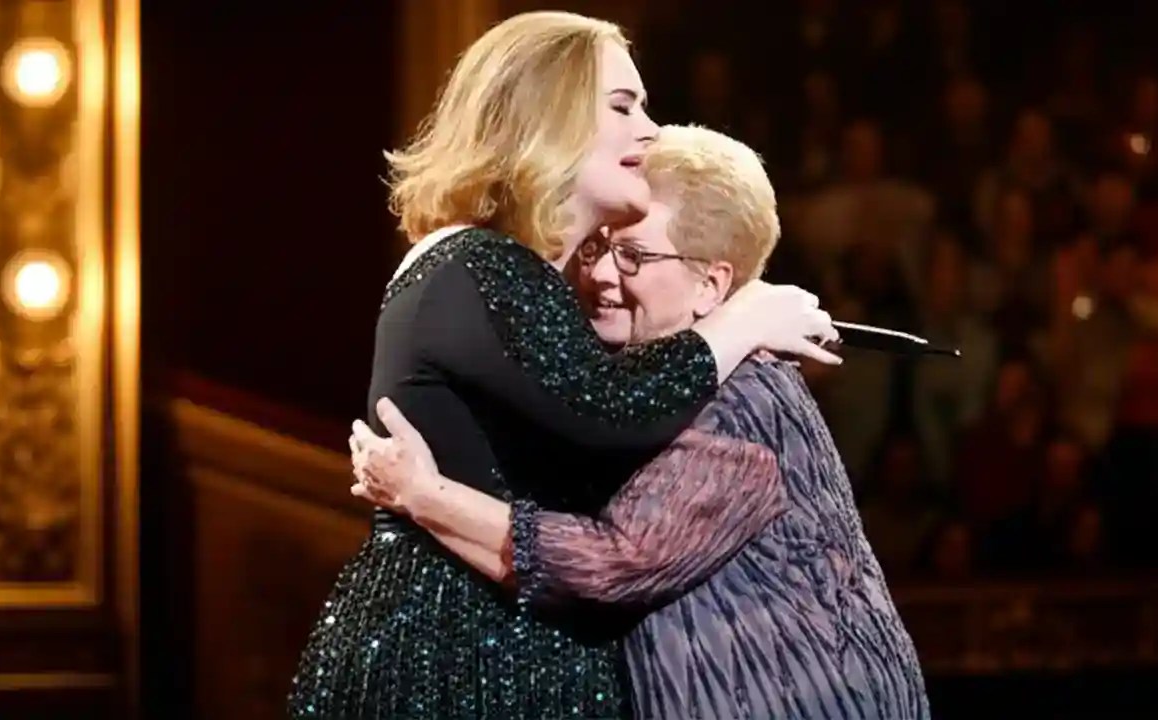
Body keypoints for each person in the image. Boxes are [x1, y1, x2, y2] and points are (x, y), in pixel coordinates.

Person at [287, 12, 841, 720]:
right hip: (458, 665)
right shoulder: (479, 263)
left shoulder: (509, 274)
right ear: (547, 115)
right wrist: (744, 318)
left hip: (495, 657)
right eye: (622, 106)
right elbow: (611, 412)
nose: (648, 129)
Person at [351, 125, 930, 718]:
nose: (600, 274)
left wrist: (423, 495)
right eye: (598, 247)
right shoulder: (650, 385)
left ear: (712, 284)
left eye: (633, 255)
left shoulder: (735, 400)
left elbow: (613, 563)